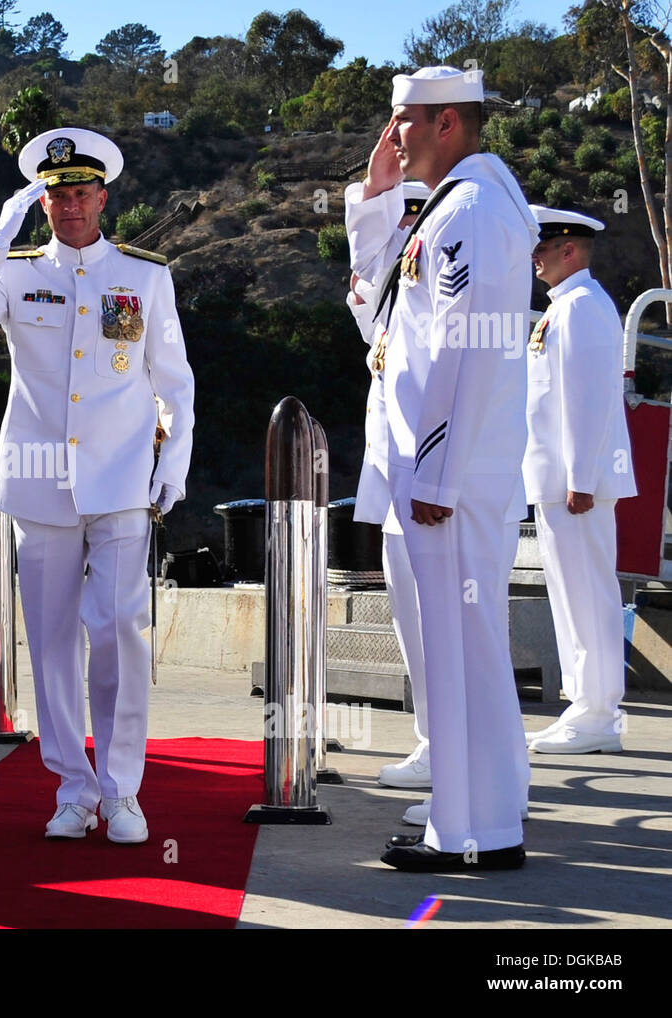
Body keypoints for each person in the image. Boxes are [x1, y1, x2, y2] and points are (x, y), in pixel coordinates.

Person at [0, 128, 195, 844]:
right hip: (39, 485)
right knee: (50, 645)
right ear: (41, 202)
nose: (69, 206)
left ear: (102, 197)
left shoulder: (144, 276)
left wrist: (170, 468)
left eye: (81, 193)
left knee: (118, 633)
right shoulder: (14, 271)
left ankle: (122, 791)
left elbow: (174, 381)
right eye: (55, 195)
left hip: (120, 482)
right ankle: (72, 790)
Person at [365, 67, 536, 872]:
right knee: (463, 652)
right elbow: (394, 326)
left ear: (447, 125)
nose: (392, 135)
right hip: (451, 476)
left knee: (467, 650)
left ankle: (479, 831)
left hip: (452, 482)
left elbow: (464, 356)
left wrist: (433, 477)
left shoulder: (469, 212)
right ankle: (468, 825)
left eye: (403, 121)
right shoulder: (459, 207)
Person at [522, 206, 637, 754]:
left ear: (570, 249)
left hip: (577, 483)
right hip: (559, 480)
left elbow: (589, 402)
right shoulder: (563, 308)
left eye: (543, 247)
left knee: (589, 593)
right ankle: (583, 707)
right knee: (570, 594)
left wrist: (582, 478)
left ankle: (599, 714)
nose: (535, 257)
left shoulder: (585, 308)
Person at [344, 176, 432, 796]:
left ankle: (449, 752)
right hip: (400, 474)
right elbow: (377, 336)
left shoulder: (434, 281)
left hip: (427, 478)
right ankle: (436, 744)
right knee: (414, 621)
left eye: (403, 220)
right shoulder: (401, 287)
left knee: (437, 624)